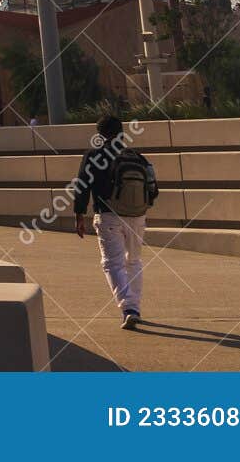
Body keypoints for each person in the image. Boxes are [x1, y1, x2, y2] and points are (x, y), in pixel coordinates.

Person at [71, 114, 158, 330]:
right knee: (134, 261)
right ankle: (134, 306)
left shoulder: (94, 155)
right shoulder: (137, 157)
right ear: (121, 132)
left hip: (108, 215)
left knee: (113, 263)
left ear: (100, 135)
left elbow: (82, 185)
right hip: (137, 216)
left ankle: (129, 309)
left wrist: (79, 214)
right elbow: (154, 189)